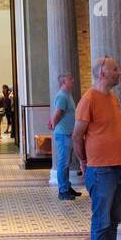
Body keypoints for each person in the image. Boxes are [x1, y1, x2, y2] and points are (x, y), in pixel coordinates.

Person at [72, 56, 121, 240]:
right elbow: (77, 135)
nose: (119, 72)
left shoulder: (113, 98)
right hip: (100, 170)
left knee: (114, 219)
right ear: (102, 73)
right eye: (115, 69)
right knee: (101, 221)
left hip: (118, 166)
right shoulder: (89, 99)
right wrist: (83, 161)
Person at [50, 72, 81, 201]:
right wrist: (53, 124)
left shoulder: (67, 95)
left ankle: (67, 187)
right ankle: (63, 190)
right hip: (63, 134)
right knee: (63, 163)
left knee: (66, 163)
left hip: (68, 134)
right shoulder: (62, 96)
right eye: (70, 79)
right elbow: (58, 113)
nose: (72, 81)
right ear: (64, 82)